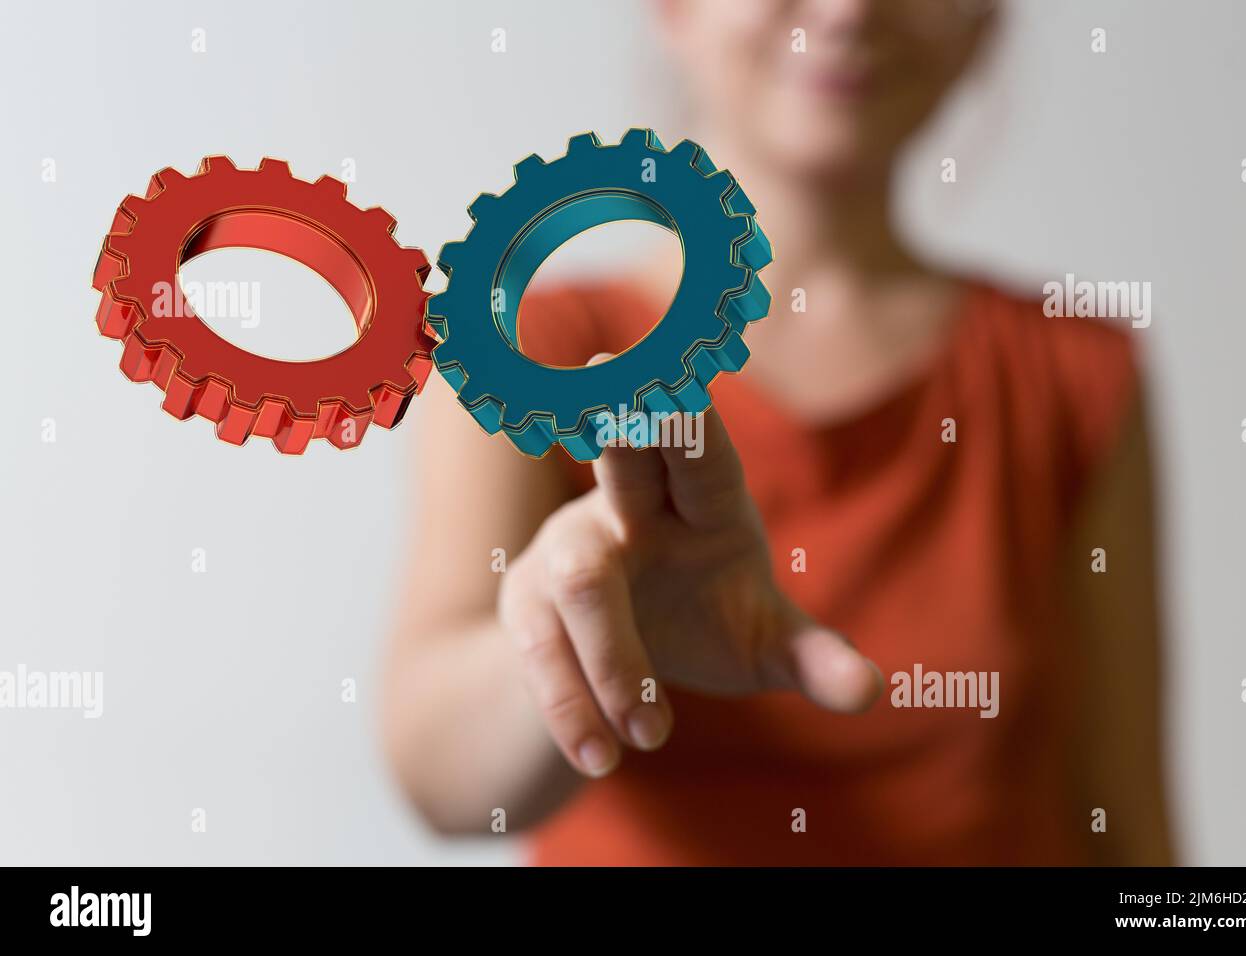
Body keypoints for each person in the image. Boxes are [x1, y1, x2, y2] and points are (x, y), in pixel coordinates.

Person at [382, 0, 1173, 865]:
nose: (848, 11)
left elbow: (1129, 825)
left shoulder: (1070, 371)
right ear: (674, 10)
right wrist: (582, 627)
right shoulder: (518, 348)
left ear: (983, 27)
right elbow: (436, 767)